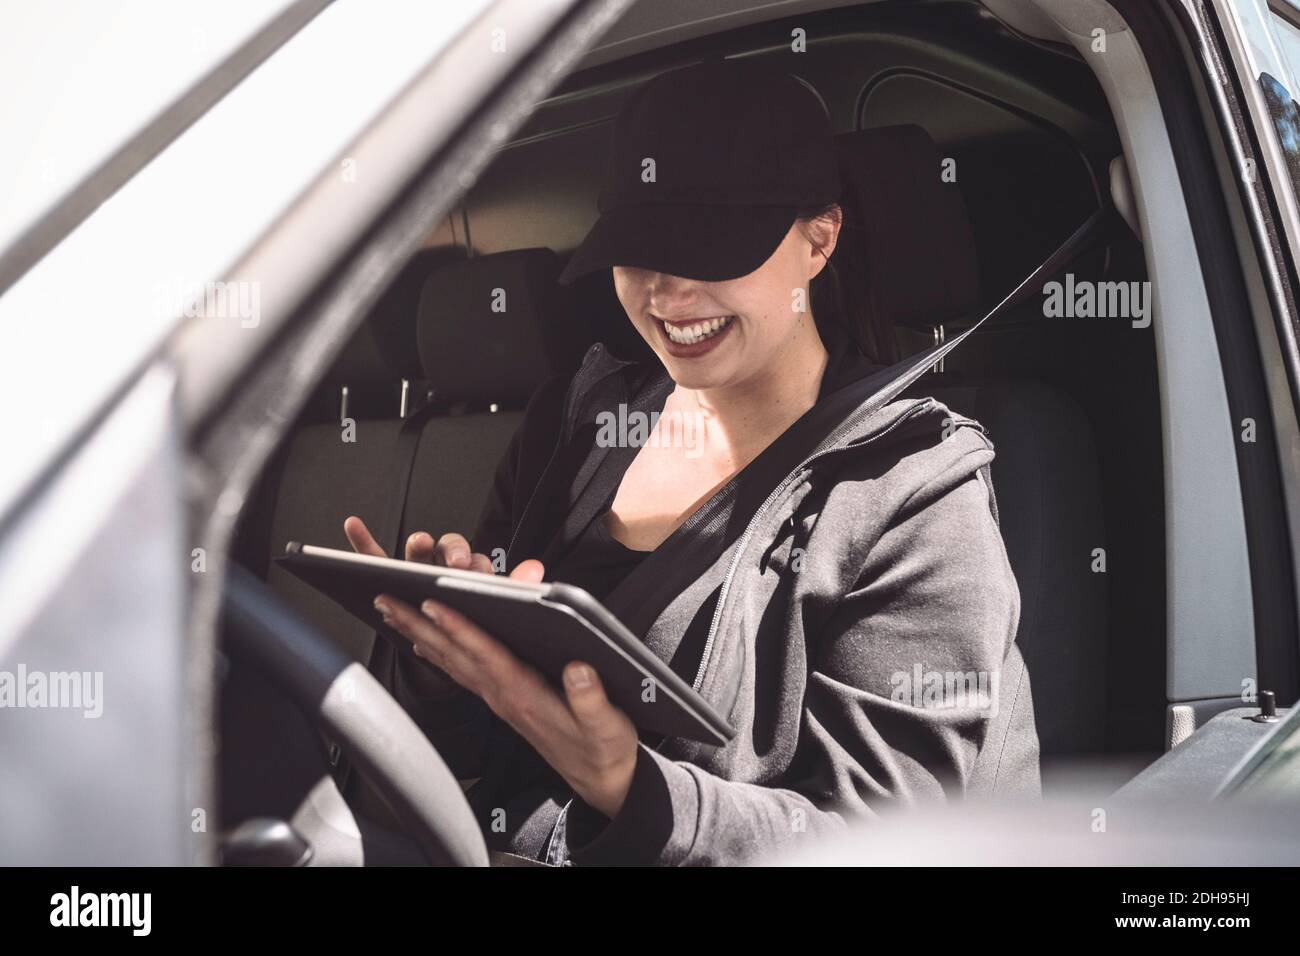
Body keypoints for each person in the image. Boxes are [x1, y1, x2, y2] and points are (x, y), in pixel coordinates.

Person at [345, 58, 1041, 866]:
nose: (669, 296)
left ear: (819, 241)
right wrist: (443, 663)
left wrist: (630, 787)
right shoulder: (580, 418)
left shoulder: (914, 491)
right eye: (638, 252)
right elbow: (476, 750)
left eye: (711, 251)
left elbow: (886, 841)